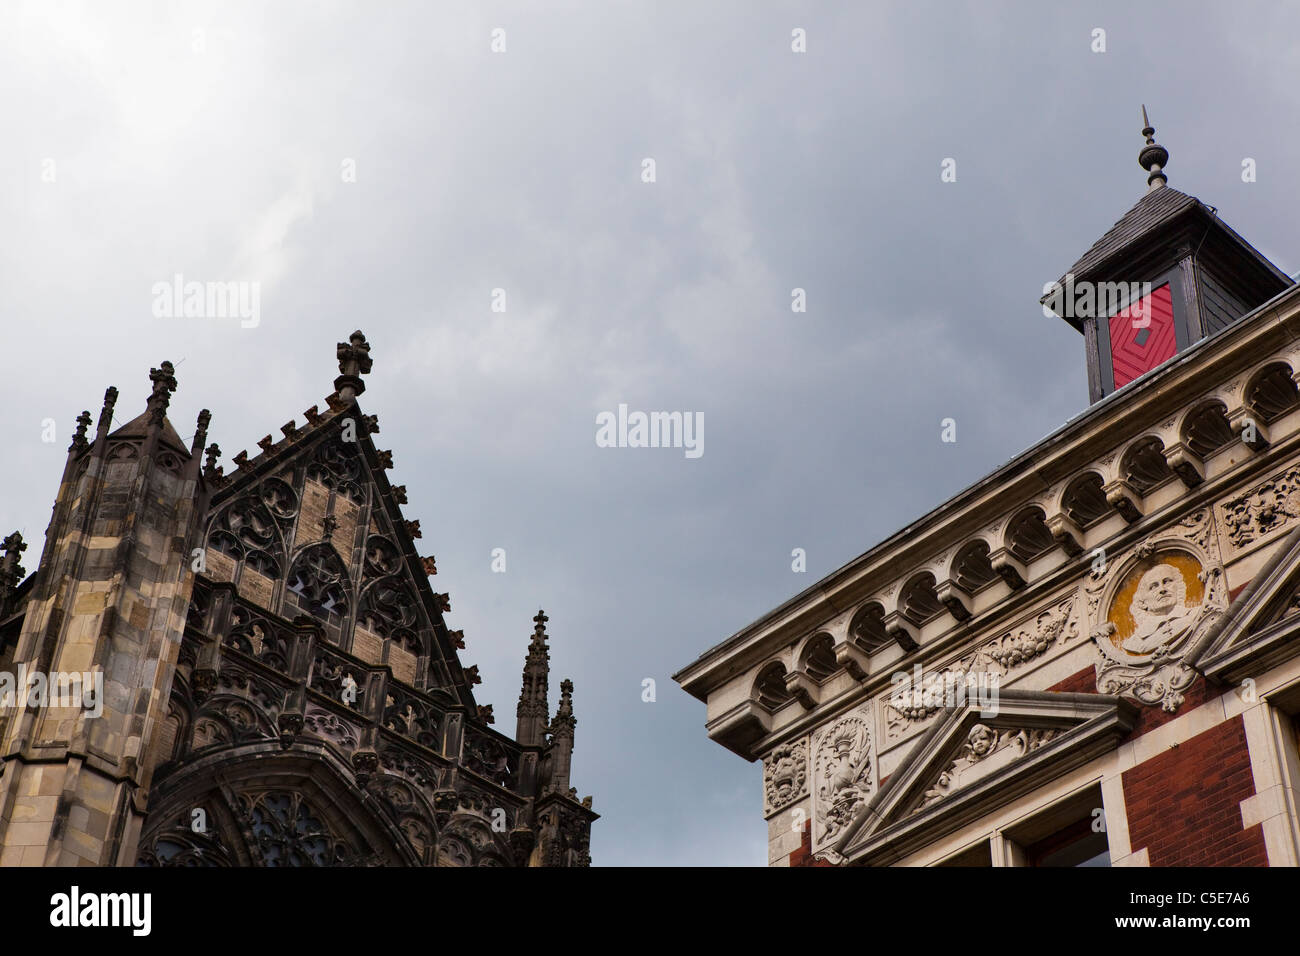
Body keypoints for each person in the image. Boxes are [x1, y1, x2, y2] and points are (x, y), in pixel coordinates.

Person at [1122, 564, 1197, 655]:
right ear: (1142, 602)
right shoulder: (1134, 642)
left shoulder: (1196, 614)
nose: (1162, 589)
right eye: (1153, 587)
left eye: (1167, 582)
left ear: (1178, 587)